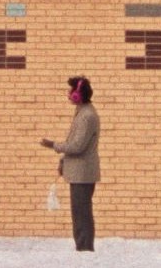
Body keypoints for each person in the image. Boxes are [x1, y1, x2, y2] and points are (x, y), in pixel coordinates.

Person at [40, 76, 101, 252]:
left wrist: (53, 145)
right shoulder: (82, 113)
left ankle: (85, 250)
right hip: (79, 172)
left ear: (78, 95)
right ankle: (82, 248)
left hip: (82, 174)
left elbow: (77, 146)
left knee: (81, 214)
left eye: (71, 91)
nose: (68, 94)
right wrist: (63, 161)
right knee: (80, 213)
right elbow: (74, 142)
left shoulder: (86, 116)